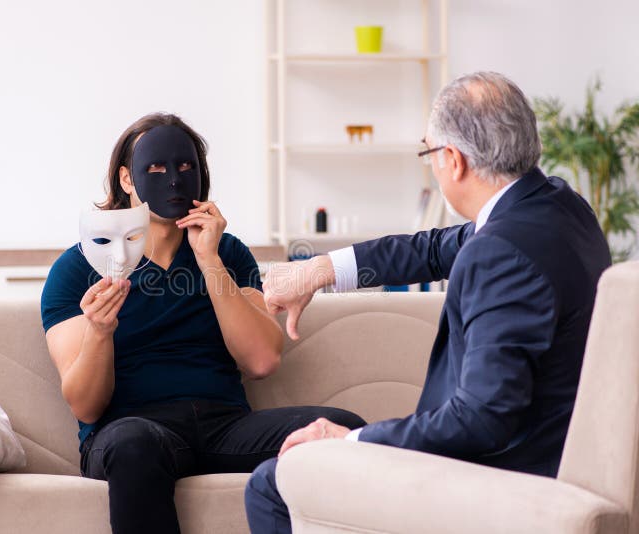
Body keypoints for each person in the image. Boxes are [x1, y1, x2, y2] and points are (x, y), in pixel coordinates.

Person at [244, 72, 612, 533]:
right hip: (547, 454)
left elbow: (482, 419)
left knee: (273, 485)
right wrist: (319, 270)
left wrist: (352, 439)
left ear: (453, 160)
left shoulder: (501, 252)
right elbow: (433, 249)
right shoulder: (557, 206)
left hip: (503, 479)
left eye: (429, 152)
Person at [40, 112, 365, 534]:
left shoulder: (228, 253)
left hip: (223, 424)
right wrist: (100, 331)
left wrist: (210, 261)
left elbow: (263, 360)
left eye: (186, 167)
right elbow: (85, 405)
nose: (173, 180)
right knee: (133, 444)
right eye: (155, 168)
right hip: (132, 431)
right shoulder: (78, 267)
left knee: (344, 430)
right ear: (126, 179)